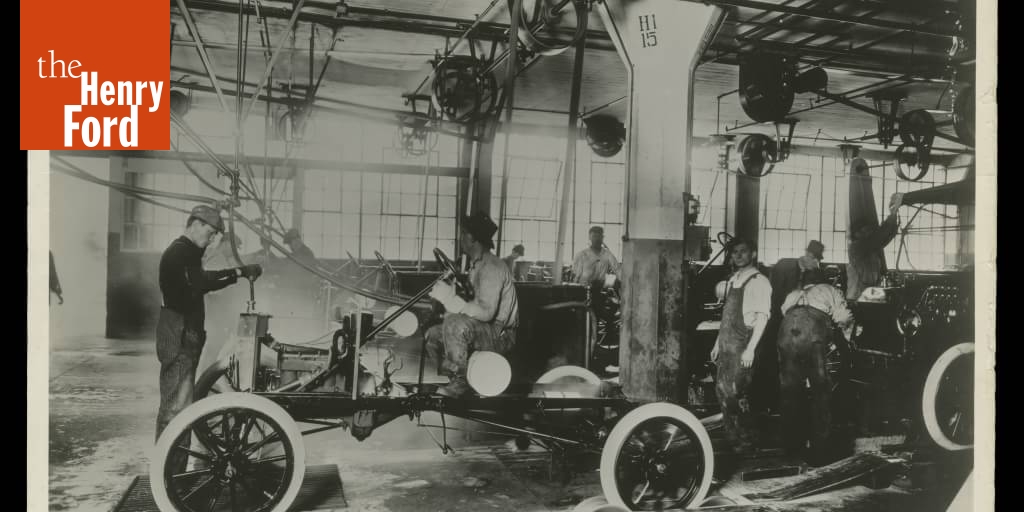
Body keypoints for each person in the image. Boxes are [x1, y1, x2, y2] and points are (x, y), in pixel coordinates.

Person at [156, 205, 263, 445]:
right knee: (176, 408)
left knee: (180, 406)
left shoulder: (188, 253)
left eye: (216, 234)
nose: (213, 238)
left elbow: (200, 283)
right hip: (179, 336)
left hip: (185, 334)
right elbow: (201, 283)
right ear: (195, 224)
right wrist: (239, 272)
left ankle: (174, 472)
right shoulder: (179, 252)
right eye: (211, 231)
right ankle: (168, 474)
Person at [425, 211, 519, 398]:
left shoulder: (492, 267)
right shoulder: (476, 265)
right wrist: (449, 296)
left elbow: (486, 313)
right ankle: (455, 373)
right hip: (486, 330)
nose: (460, 238)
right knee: (433, 334)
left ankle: (460, 383)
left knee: (453, 324)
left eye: (463, 233)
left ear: (473, 238)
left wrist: (451, 301)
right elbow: (470, 305)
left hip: (501, 334)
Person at [777, 268, 854, 466]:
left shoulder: (794, 294)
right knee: (821, 390)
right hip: (813, 335)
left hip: (786, 333)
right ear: (823, 280)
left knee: (790, 391)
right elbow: (844, 317)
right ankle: (821, 449)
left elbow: (783, 311)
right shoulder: (830, 289)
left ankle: (791, 447)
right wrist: (846, 341)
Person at [710, 237, 772, 453]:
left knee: (738, 394)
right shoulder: (734, 279)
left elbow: (763, 318)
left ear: (753, 254)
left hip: (742, 346)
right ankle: (732, 438)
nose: (737, 255)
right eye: (734, 252)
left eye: (743, 251)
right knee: (722, 392)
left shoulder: (758, 281)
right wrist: (718, 343)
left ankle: (747, 442)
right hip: (726, 346)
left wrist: (750, 349)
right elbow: (725, 317)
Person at [846, 192, 903, 301]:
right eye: (866, 230)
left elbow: (884, 239)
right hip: (858, 296)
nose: (869, 232)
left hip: (868, 294)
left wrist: (895, 224)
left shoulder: (870, 247)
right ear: (858, 233)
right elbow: (879, 237)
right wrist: (893, 213)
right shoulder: (858, 246)